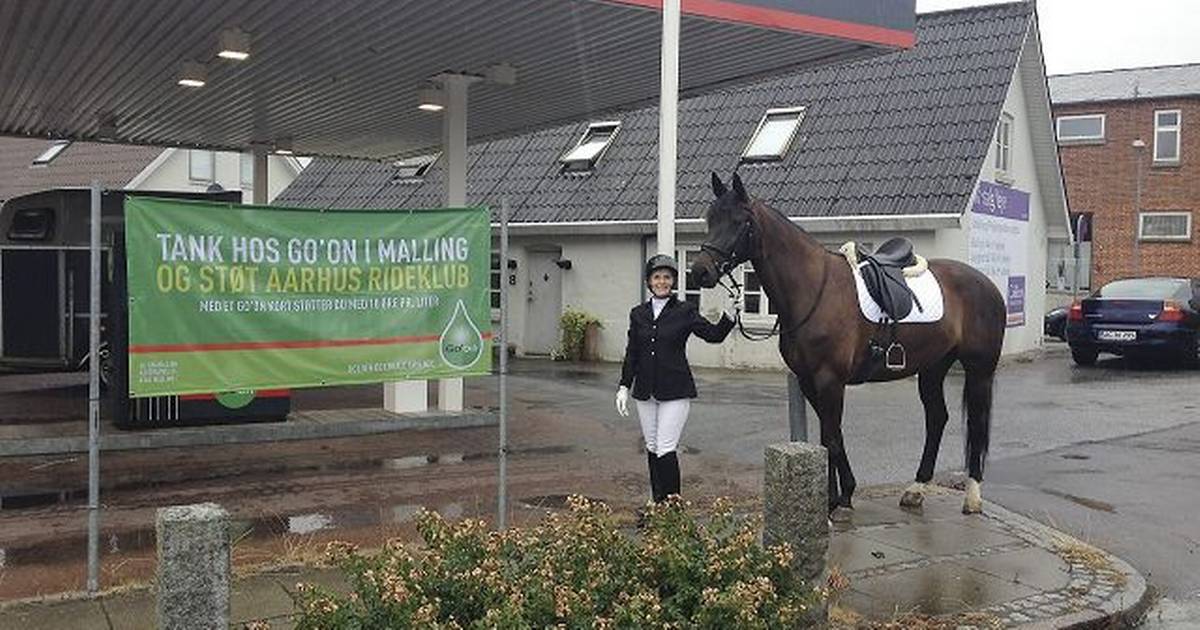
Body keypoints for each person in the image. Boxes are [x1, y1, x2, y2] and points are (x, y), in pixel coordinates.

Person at [615, 254, 740, 504]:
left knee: (665, 448)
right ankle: (657, 502)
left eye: (667, 277)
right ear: (649, 281)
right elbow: (633, 353)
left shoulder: (685, 310)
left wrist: (729, 315)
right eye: (657, 277)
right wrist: (623, 386)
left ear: (673, 281)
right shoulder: (638, 313)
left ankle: (672, 509)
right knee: (651, 447)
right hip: (645, 391)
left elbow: (713, 335)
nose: (662, 282)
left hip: (675, 390)